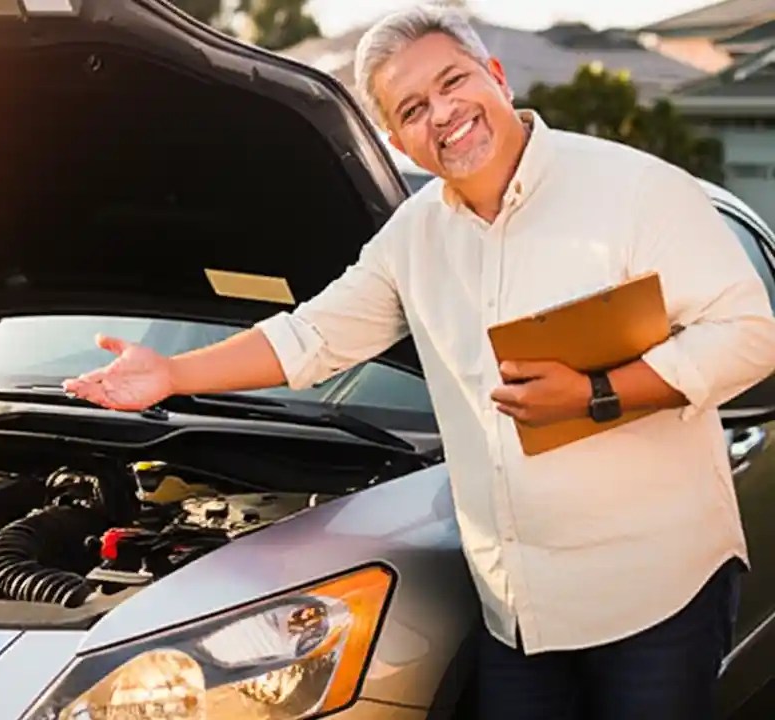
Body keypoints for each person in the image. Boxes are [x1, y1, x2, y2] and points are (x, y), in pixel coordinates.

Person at [61, 4, 775, 719]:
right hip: (519, 611)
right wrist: (172, 373)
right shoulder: (415, 235)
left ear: (495, 76)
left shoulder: (635, 191)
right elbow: (313, 336)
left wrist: (596, 393)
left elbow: (750, 334)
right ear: (397, 136)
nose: (442, 113)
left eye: (453, 82)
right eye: (412, 108)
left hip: (655, 595)